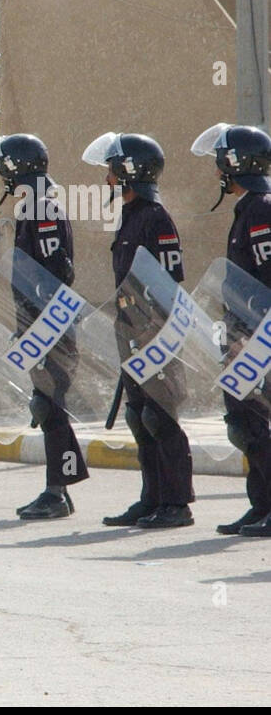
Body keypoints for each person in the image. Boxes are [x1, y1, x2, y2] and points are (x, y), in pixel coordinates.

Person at [82, 132, 194, 528]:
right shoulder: (129, 217)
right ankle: (151, 498)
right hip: (130, 333)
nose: (107, 179)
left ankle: (177, 503)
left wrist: (153, 334)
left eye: (112, 171)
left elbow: (169, 283)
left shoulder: (155, 218)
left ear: (130, 172)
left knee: (160, 418)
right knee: (139, 416)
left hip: (155, 335)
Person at [0, 133, 88, 519]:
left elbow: (55, 273)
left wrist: (39, 323)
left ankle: (58, 491)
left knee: (48, 406)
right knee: (47, 407)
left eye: (3, 168)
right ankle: (59, 488)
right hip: (40, 326)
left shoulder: (42, 209)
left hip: (50, 328)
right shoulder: (34, 207)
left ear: (15, 169)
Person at [192, 124, 271, 536]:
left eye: (221, 160)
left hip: (261, 338)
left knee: (258, 423)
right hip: (244, 334)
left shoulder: (262, 208)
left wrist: (252, 335)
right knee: (246, 424)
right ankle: (260, 505)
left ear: (234, 163)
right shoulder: (249, 207)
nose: (217, 168)